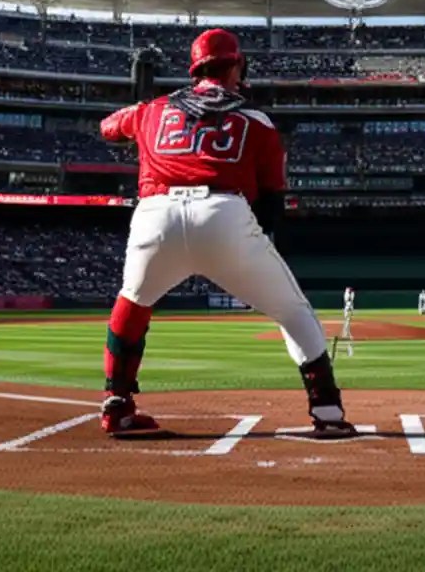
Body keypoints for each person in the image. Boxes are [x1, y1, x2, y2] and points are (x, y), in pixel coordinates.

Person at [97, 28, 357, 438]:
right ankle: (326, 410)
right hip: (223, 212)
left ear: (194, 68)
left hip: (155, 215)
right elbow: (271, 200)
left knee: (133, 302)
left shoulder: (153, 109)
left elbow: (107, 127)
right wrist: (253, 243)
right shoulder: (256, 119)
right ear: (236, 65)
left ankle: (117, 404)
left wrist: (139, 112)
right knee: (292, 311)